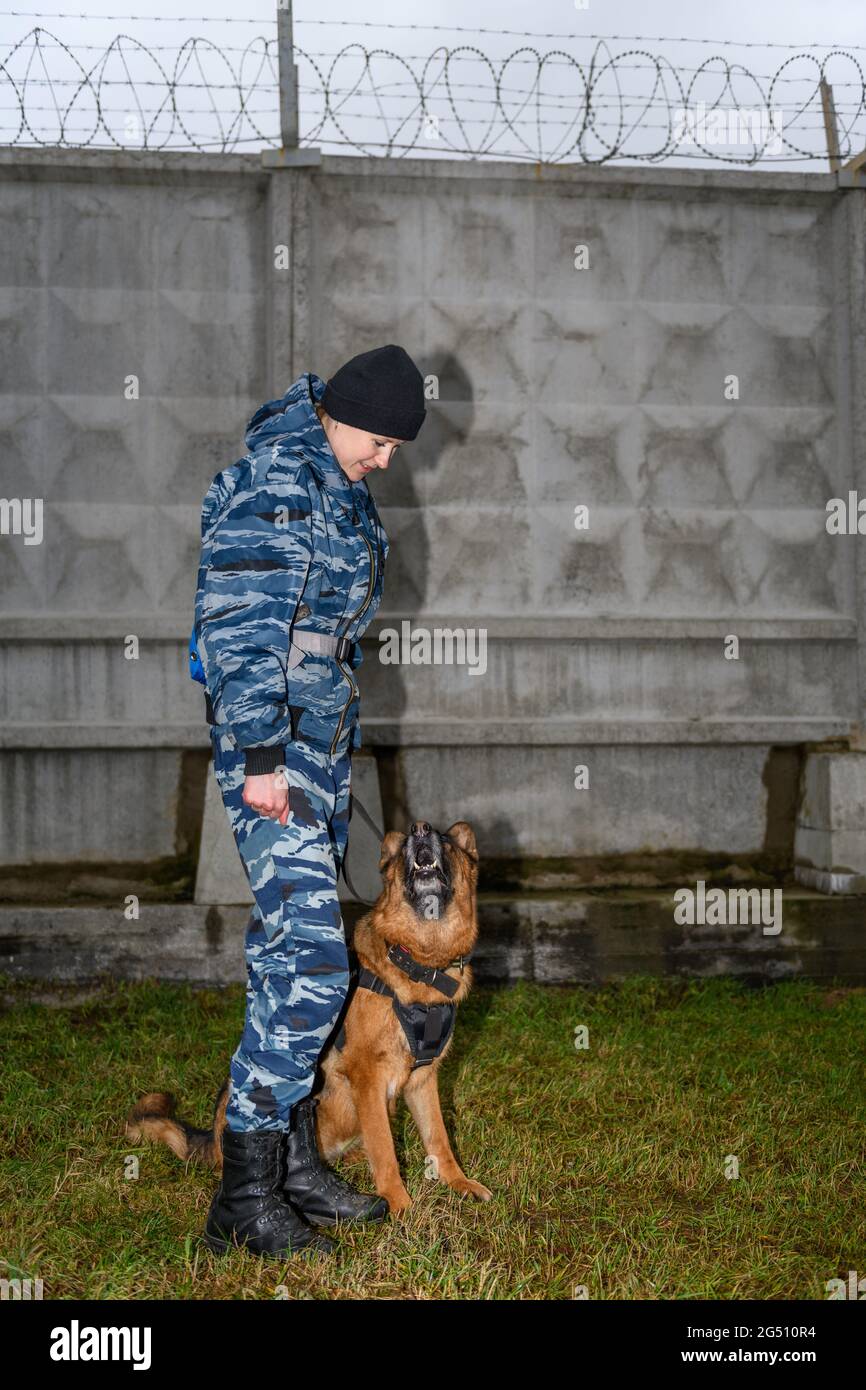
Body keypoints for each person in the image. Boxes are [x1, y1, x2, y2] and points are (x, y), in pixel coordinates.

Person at [190, 344, 427, 1259]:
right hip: (273, 750)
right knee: (319, 967)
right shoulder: (280, 478)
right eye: (379, 439)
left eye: (396, 445)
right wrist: (259, 755)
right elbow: (242, 625)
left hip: (314, 746)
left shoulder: (336, 476)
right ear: (339, 415)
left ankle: (288, 1166)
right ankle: (240, 1198)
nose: (387, 458)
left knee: (288, 953)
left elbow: (329, 628)